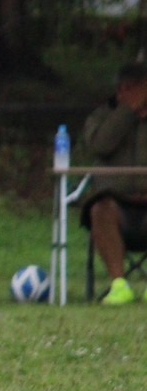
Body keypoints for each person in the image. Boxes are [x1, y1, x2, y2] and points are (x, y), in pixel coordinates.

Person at [81, 61, 147, 305]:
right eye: (121, 88)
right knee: (99, 208)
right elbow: (100, 145)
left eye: (132, 88)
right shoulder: (104, 115)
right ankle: (119, 285)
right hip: (118, 204)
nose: (123, 93)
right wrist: (126, 112)